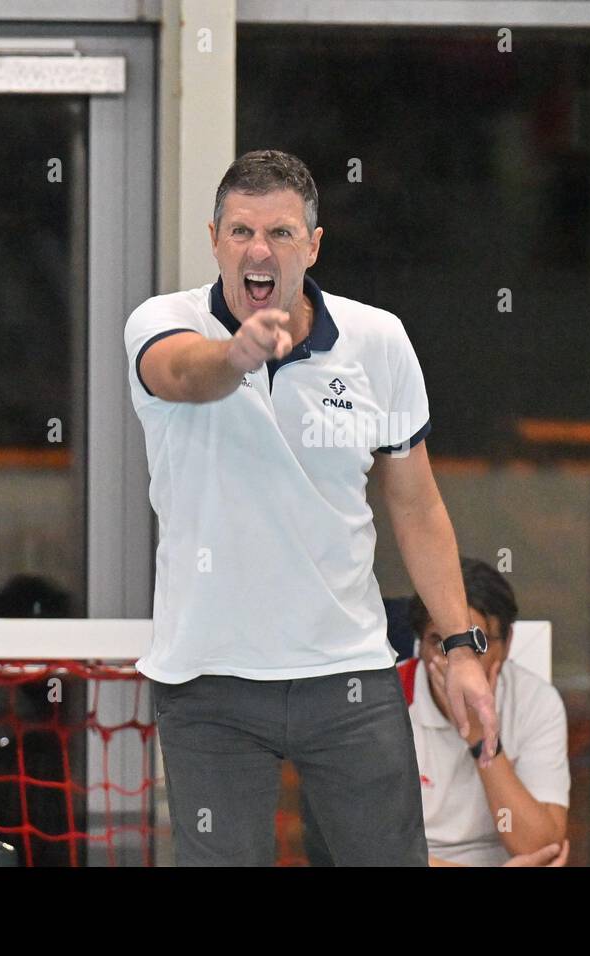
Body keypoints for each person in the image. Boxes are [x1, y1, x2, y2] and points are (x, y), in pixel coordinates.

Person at [124, 149, 497, 866]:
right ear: (214, 240)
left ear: (314, 245)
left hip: (349, 677)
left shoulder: (377, 340)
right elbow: (180, 374)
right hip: (207, 683)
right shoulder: (163, 321)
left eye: (281, 233)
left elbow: (416, 505)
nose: (258, 250)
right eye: (240, 231)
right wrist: (236, 355)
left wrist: (461, 648)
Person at [304, 558, 571, 867]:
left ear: (507, 643)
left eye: (477, 644)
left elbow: (541, 847)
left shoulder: (535, 701)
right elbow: (369, 852)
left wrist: (480, 737)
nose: (458, 664)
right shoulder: (381, 702)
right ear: (421, 645)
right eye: (439, 642)